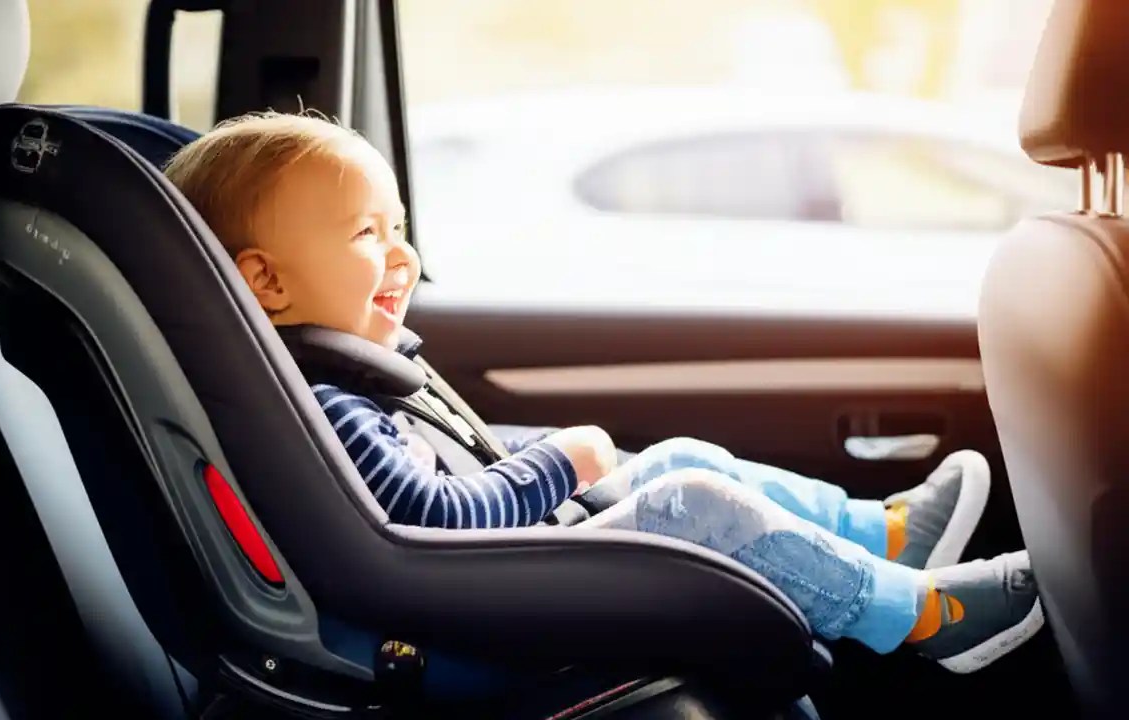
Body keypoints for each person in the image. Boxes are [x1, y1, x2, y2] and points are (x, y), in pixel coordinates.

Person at [163, 111, 1044, 673]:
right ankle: (922, 617)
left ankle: (881, 531)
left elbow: (453, 468)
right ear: (266, 284)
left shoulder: (348, 374)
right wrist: (562, 459)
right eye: (367, 233)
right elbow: (428, 520)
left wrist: (551, 460)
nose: (402, 256)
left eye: (400, 229)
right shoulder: (324, 406)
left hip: (488, 579)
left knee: (678, 460)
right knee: (693, 500)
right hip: (457, 620)